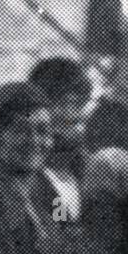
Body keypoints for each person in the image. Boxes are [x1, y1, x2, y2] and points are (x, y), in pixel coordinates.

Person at [29, 56, 92, 220]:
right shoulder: (20, 178)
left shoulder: (84, 170)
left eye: (81, 105)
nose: (78, 116)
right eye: (68, 103)